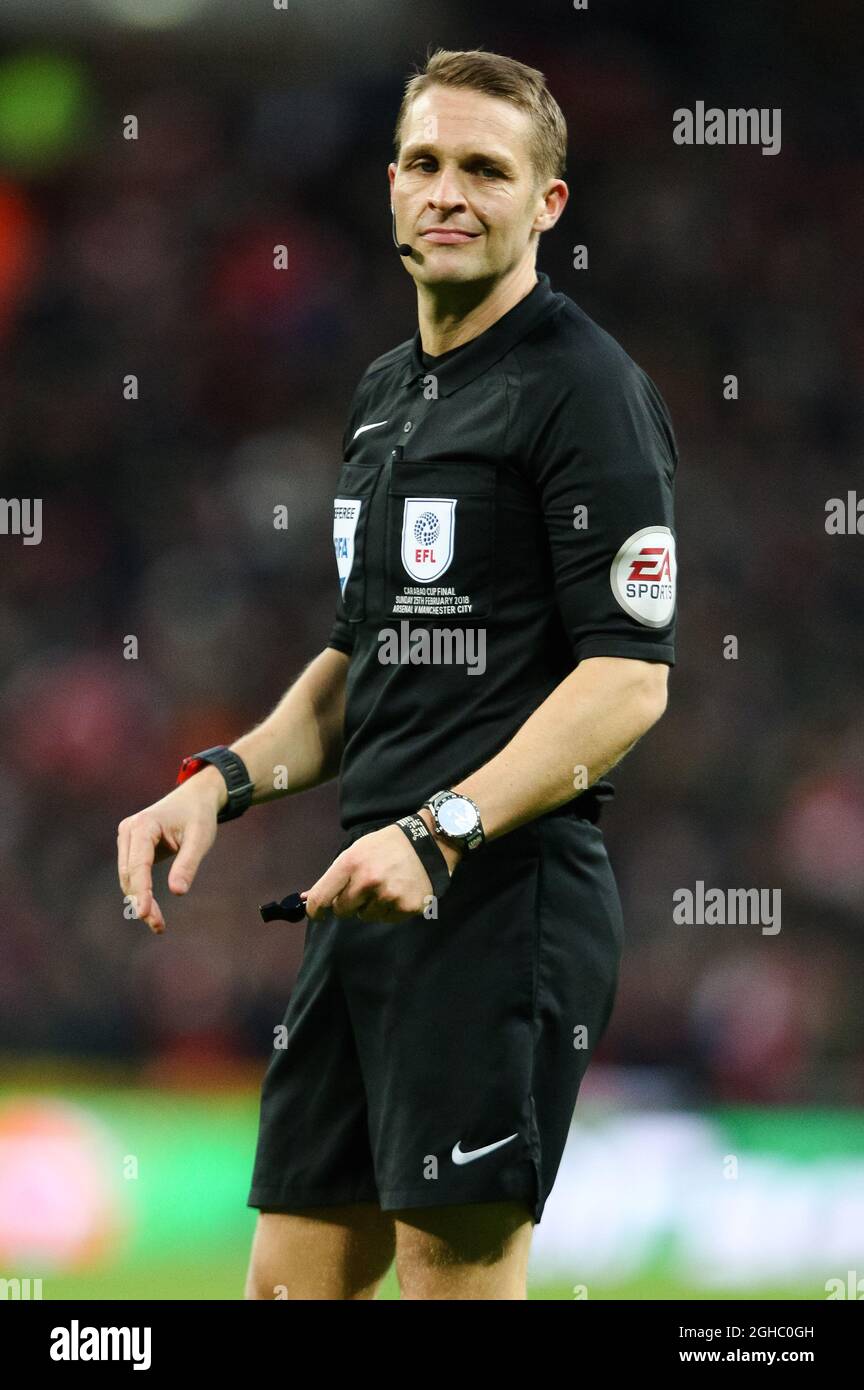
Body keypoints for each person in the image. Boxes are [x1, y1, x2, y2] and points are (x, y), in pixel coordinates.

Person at [116, 47, 678, 1300]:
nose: (448, 191)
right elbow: (357, 656)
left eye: (487, 168)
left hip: (497, 902)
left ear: (548, 205)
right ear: (388, 185)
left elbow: (630, 679)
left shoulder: (588, 390)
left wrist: (445, 827)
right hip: (366, 896)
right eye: (425, 162)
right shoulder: (387, 396)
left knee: (449, 1284)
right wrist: (219, 778)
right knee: (284, 1289)